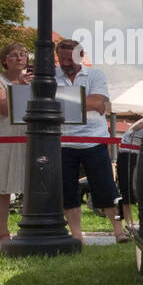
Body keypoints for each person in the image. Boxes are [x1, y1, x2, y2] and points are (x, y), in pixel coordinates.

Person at [55, 38, 127, 243]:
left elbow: (97, 102)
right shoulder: (51, 75)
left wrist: (60, 100)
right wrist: (85, 102)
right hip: (63, 142)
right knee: (68, 192)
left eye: (70, 58)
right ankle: (77, 236)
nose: (66, 62)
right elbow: (92, 103)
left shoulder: (95, 74)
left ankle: (118, 231)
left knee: (106, 188)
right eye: (62, 58)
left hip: (94, 139)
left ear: (81, 56)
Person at [0, 42, 30, 248]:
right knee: (2, 181)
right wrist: (20, 86)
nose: (20, 58)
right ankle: (3, 231)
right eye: (14, 55)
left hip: (30, 133)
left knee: (33, 180)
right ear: (5, 60)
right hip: (8, 133)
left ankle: (30, 225)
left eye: (23, 55)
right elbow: (3, 107)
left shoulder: (35, 80)